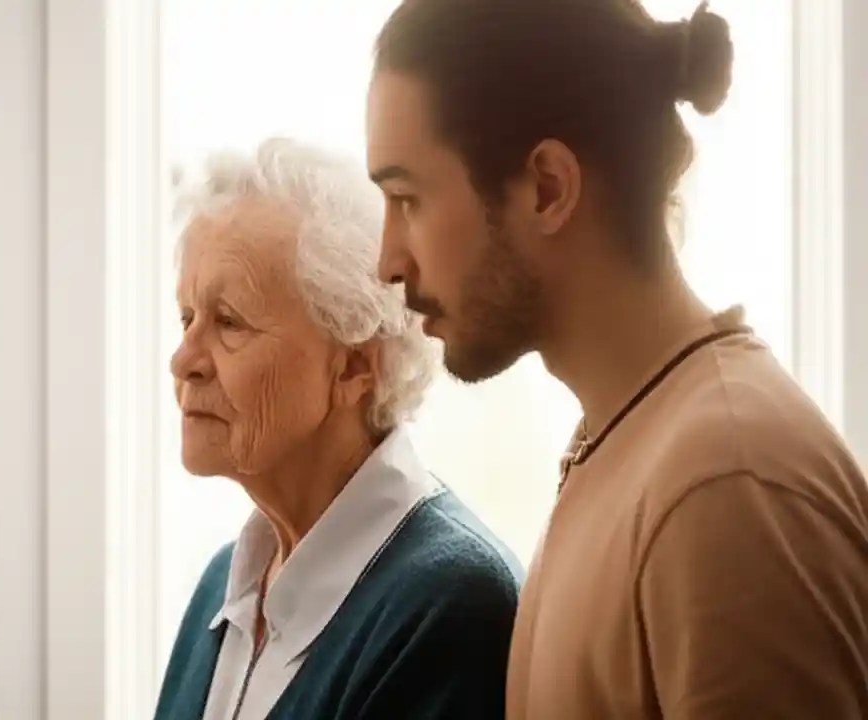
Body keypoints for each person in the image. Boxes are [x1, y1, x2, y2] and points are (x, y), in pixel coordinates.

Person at [366, 0, 868, 718]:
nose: (388, 260)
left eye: (406, 198)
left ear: (547, 188)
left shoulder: (726, 481)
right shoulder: (626, 444)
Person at [153, 138, 523, 720]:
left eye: (228, 321)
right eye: (186, 318)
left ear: (353, 364)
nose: (183, 360)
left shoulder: (453, 604)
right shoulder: (223, 583)